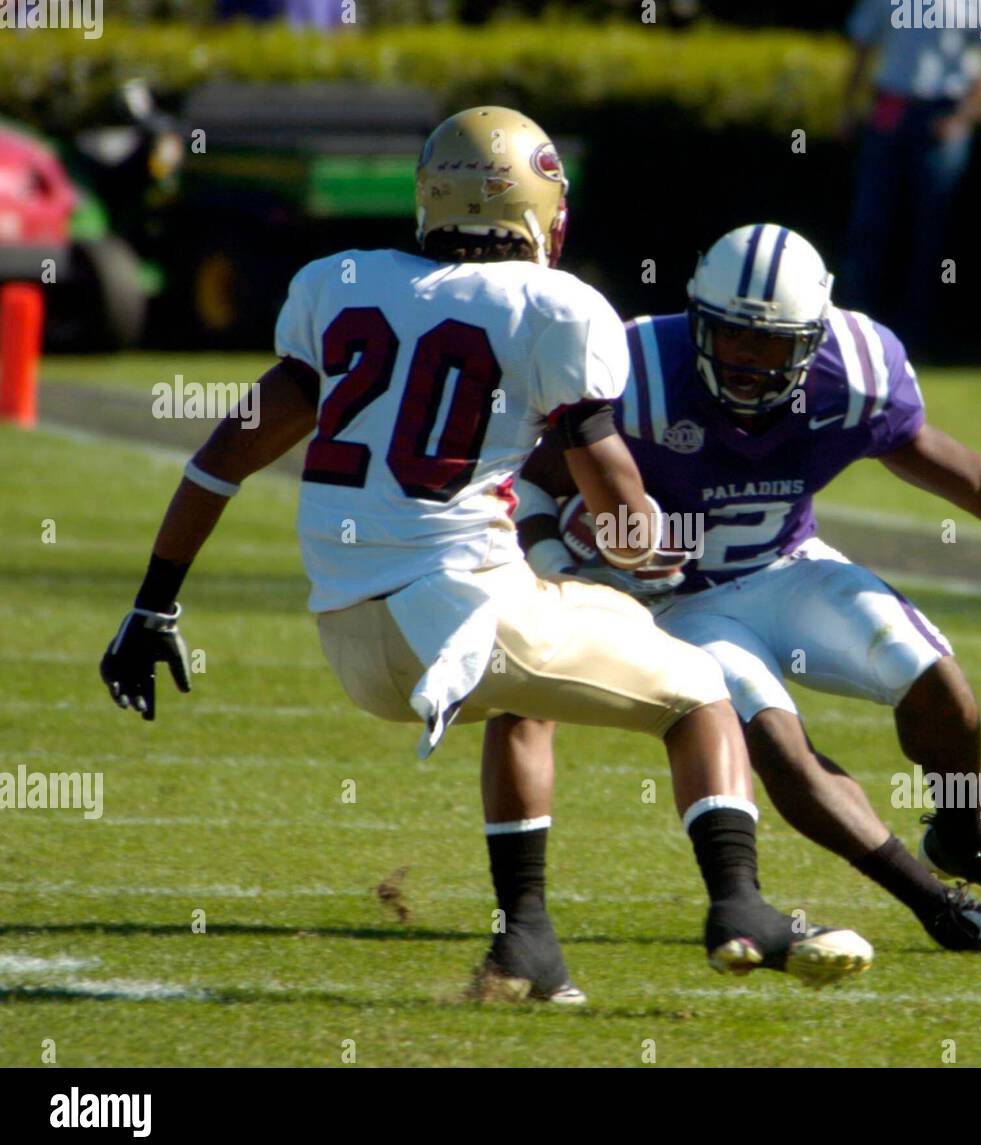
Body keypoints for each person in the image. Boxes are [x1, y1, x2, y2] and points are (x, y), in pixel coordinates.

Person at [98, 114, 873, 1004]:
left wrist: (153, 605)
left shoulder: (339, 285)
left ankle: (526, 948)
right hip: (462, 614)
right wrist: (654, 550)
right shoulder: (557, 306)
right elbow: (621, 512)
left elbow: (222, 456)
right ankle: (744, 908)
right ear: (542, 205)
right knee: (700, 692)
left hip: (353, 637)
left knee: (526, 700)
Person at [515, 223, 981, 954]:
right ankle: (934, 903)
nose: (749, 361)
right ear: (697, 321)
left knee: (942, 689)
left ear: (813, 338)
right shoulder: (638, 370)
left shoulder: (855, 372)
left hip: (788, 566)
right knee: (781, 744)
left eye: (772, 342)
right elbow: (533, 481)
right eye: (731, 337)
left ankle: (963, 837)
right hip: (679, 602)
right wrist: (558, 569)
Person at [839, 0, 981, 350]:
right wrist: (848, 106)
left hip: (943, 111)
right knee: (869, 226)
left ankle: (918, 337)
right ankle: (853, 334)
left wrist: (965, 116)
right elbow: (862, 46)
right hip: (891, 107)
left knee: (932, 231)